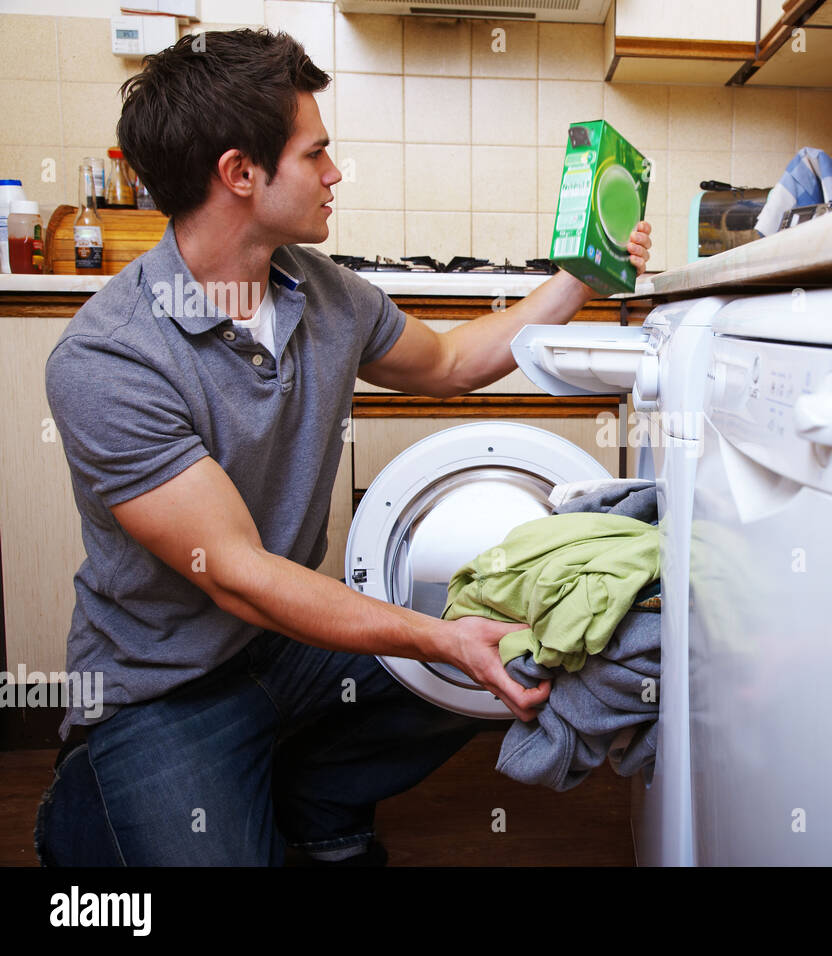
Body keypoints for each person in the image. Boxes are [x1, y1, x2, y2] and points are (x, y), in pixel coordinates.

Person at [36, 28, 652, 866]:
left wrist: (583, 274)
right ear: (240, 174)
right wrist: (434, 638)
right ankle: (93, 796)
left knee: (504, 652)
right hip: (161, 688)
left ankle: (317, 796)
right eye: (316, 153)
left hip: (282, 651)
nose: (335, 174)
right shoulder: (111, 358)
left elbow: (450, 361)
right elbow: (242, 578)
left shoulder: (319, 291)